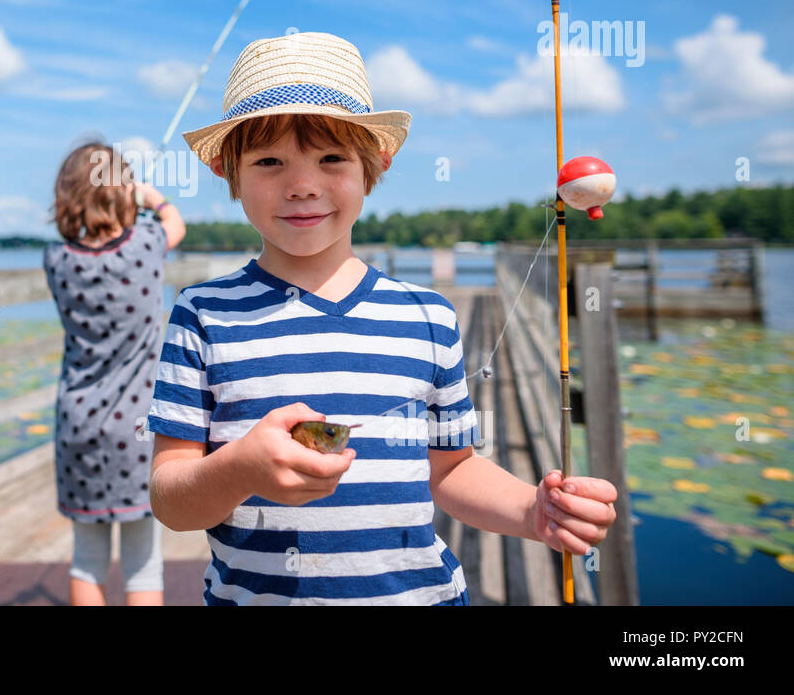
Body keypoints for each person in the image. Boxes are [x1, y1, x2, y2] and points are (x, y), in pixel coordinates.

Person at [146, 31, 618, 604]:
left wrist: (532, 510)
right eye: (269, 161)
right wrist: (239, 470)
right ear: (228, 172)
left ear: (376, 165)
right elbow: (171, 500)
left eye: (332, 159)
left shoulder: (428, 317)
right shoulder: (201, 315)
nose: (302, 186)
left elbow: (450, 472)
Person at [43, 139, 186, 605]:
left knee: (86, 558)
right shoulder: (145, 244)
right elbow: (175, 224)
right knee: (143, 563)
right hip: (139, 430)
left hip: (78, 426)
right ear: (120, 192)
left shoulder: (57, 260)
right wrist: (148, 196)